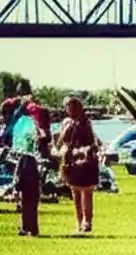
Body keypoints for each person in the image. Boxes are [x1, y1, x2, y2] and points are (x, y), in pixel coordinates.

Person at [6, 94, 52, 237]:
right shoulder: (28, 122)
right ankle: (29, 226)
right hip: (29, 159)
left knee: (28, 197)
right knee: (29, 198)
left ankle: (29, 226)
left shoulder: (25, 122)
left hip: (28, 159)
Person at [56, 97, 100, 234]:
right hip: (72, 161)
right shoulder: (70, 123)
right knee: (76, 193)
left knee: (85, 192)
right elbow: (61, 141)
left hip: (84, 160)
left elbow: (89, 142)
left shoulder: (83, 124)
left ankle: (86, 221)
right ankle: (81, 221)